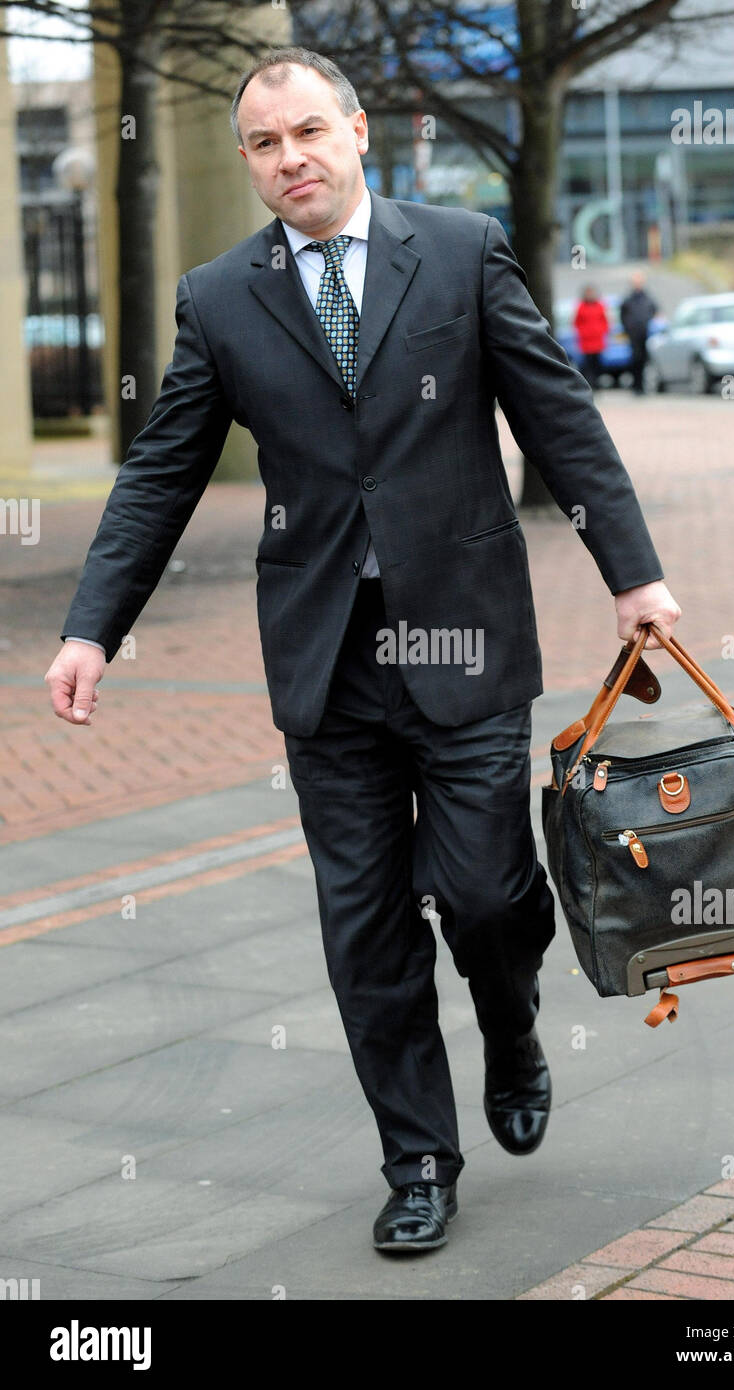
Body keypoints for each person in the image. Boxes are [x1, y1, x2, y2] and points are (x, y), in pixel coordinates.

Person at [44, 47, 681, 1255]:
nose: (290, 158)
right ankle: (420, 1161)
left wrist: (633, 574)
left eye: (307, 132)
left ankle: (511, 1026)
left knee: (488, 897)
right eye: (264, 143)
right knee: (368, 929)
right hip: (325, 661)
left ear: (357, 131)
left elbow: (557, 414)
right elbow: (162, 475)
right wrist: (92, 627)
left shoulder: (461, 250)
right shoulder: (220, 299)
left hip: (466, 639)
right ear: (248, 162)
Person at [619, 271, 658, 395]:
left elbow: (654, 311)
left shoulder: (648, 298)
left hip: (645, 334)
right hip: (633, 335)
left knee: (643, 360)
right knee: (635, 360)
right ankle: (636, 386)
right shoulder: (628, 299)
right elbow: (623, 315)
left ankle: (642, 386)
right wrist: (628, 328)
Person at [573, 285, 608, 391]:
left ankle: (597, 384)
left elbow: (605, 321)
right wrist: (584, 333)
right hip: (586, 342)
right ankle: (589, 384)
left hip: (597, 341)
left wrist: (601, 331)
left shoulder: (600, 306)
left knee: (597, 364)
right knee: (587, 365)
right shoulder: (581, 307)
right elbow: (577, 323)